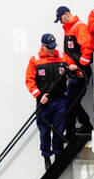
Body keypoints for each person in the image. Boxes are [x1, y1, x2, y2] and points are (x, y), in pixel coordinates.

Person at [25, 34, 82, 169]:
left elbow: (72, 68)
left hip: (60, 100)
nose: (52, 50)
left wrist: (74, 68)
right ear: (43, 46)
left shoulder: (62, 57)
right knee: (44, 131)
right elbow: (29, 81)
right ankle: (46, 157)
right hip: (44, 103)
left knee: (59, 129)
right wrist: (39, 96)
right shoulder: (35, 60)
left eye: (53, 47)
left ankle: (58, 155)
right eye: (49, 48)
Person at [57, 6, 94, 136]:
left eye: (60, 19)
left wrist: (81, 66)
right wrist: (69, 67)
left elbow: (88, 47)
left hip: (80, 72)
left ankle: (78, 127)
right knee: (72, 101)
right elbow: (68, 54)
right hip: (73, 72)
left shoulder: (80, 27)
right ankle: (75, 127)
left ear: (66, 14)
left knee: (71, 101)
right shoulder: (68, 30)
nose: (61, 22)